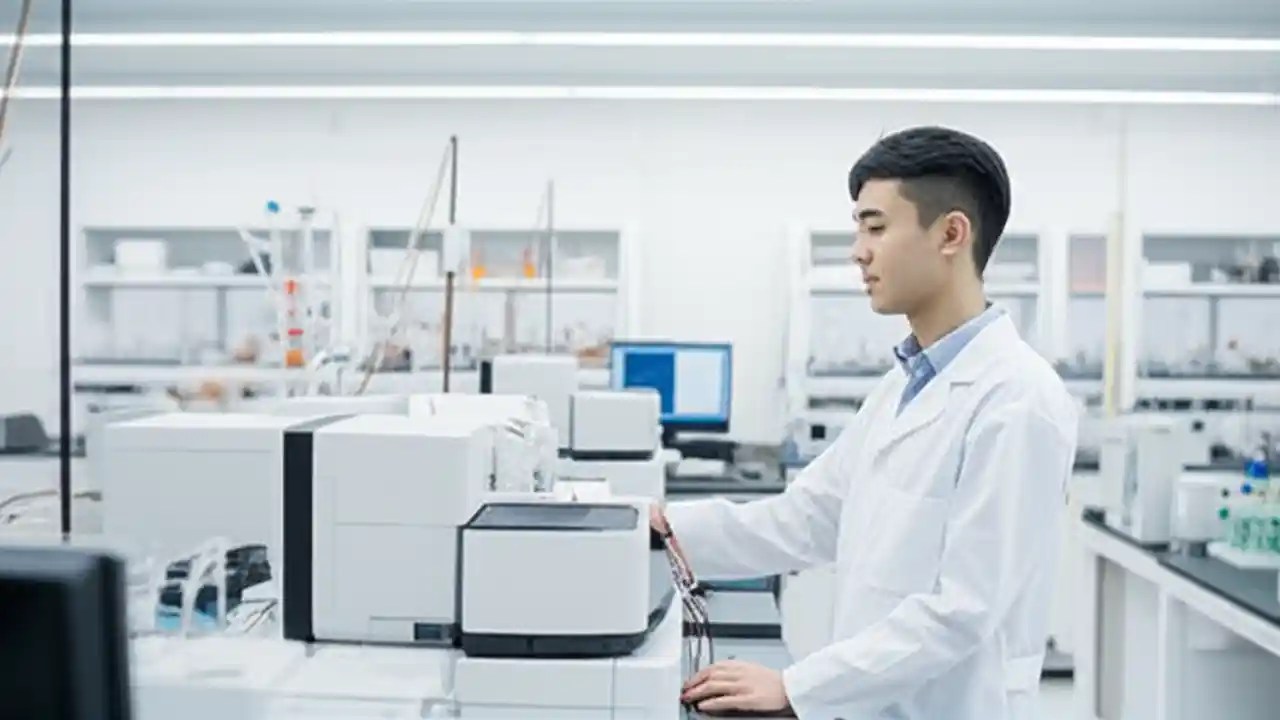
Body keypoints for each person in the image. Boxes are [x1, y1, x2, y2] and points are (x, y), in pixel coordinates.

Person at [659, 126, 1079, 719]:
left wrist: (797, 688)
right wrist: (667, 528)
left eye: (875, 227)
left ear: (951, 234)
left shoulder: (1018, 399)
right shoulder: (901, 386)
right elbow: (808, 518)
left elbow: (964, 608)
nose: (859, 251)